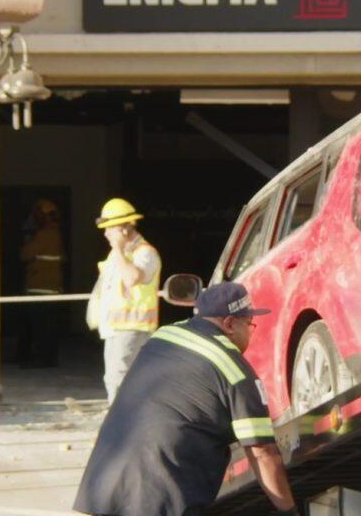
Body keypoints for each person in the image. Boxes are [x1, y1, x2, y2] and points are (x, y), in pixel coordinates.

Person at [74, 281, 298, 516]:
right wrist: (289, 511)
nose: (251, 331)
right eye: (249, 324)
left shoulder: (162, 337)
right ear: (230, 323)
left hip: (103, 486)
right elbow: (263, 454)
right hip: (160, 498)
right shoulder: (235, 372)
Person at [86, 198, 161, 403]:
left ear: (124, 230)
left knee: (119, 380)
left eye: (110, 229)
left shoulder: (145, 253)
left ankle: (119, 426)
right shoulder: (117, 255)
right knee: (114, 379)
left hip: (132, 327)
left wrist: (118, 250)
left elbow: (132, 278)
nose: (106, 233)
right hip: (116, 328)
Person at [18, 199, 65, 367]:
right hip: (50, 287)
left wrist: (27, 236)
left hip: (40, 287)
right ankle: (46, 358)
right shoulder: (55, 234)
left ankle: (42, 359)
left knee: (41, 326)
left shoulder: (45, 234)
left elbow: (24, 254)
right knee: (47, 326)